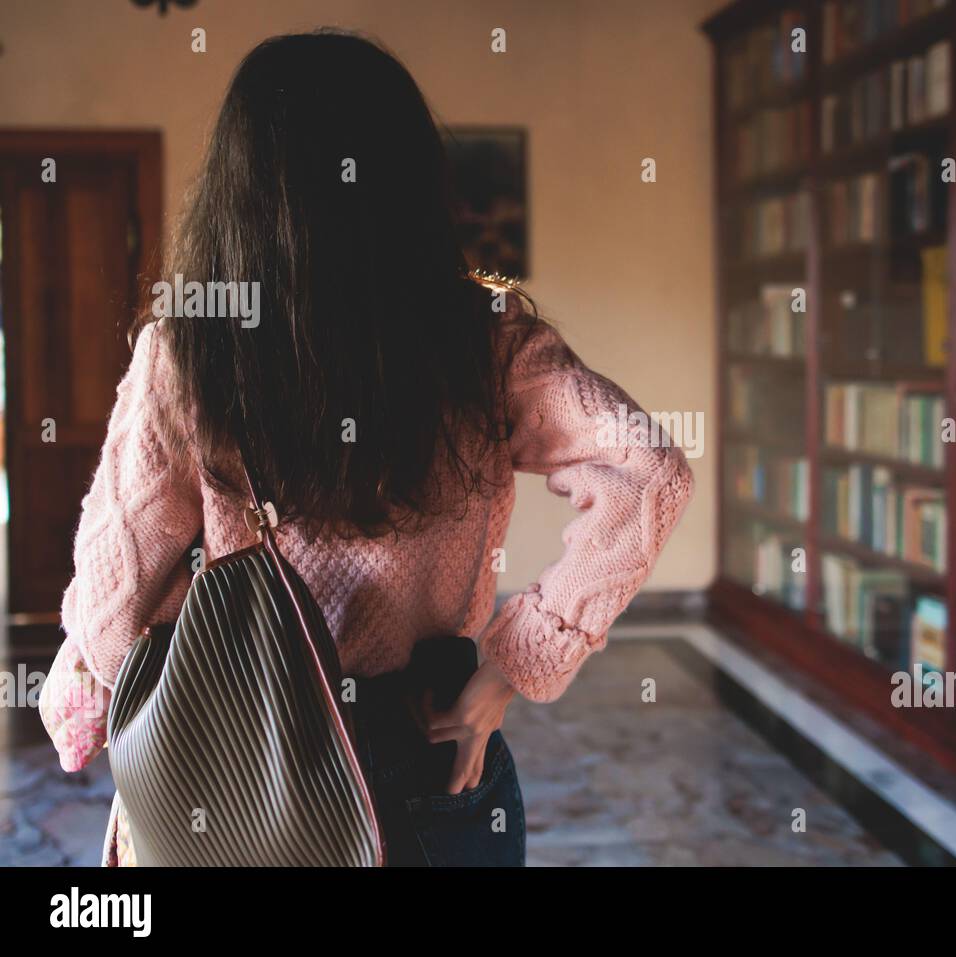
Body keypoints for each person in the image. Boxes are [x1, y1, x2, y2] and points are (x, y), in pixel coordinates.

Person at [37, 30, 694, 866]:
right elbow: (649, 474)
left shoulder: (190, 352)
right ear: (413, 177)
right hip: (431, 746)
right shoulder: (485, 339)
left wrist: (99, 680)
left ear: (239, 186)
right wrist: (511, 666)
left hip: (248, 764)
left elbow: (113, 607)